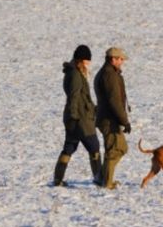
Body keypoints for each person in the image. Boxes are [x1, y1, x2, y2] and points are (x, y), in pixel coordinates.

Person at [53, 45, 101, 186]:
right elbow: (74, 97)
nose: (88, 64)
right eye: (87, 61)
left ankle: (58, 179)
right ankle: (99, 178)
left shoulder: (74, 72)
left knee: (69, 147)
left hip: (75, 116)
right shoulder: (75, 75)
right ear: (80, 60)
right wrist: (74, 116)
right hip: (80, 119)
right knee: (94, 147)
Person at [94, 47, 131, 189]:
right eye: (120, 59)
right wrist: (124, 121)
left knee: (119, 147)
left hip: (108, 118)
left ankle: (102, 178)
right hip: (109, 119)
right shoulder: (109, 75)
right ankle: (107, 182)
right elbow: (114, 100)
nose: (122, 62)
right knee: (116, 149)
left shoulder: (107, 73)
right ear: (113, 59)